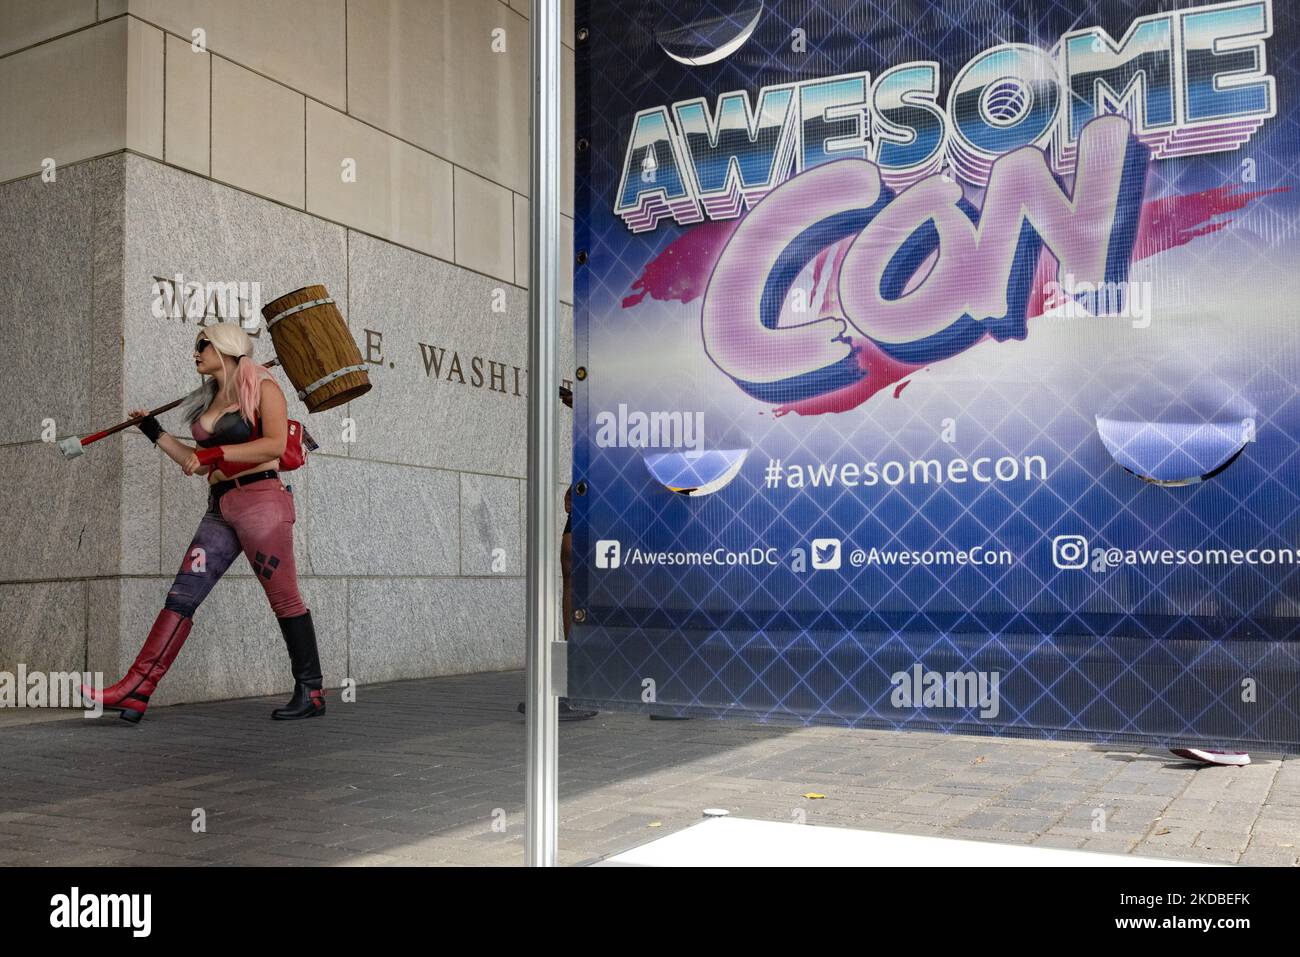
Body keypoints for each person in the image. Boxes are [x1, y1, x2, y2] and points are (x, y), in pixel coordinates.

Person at [82, 324, 324, 723]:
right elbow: (195, 464)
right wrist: (153, 431)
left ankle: (311, 690)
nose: (195, 353)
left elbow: (275, 445)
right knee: (182, 595)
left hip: (262, 504)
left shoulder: (262, 387)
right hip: (221, 507)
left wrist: (214, 456)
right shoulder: (211, 396)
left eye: (202, 345)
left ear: (225, 347)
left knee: (285, 599)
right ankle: (137, 688)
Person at [518, 386, 597, 721]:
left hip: (625, 477)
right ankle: (576, 678)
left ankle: (592, 681)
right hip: (596, 475)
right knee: (572, 559)